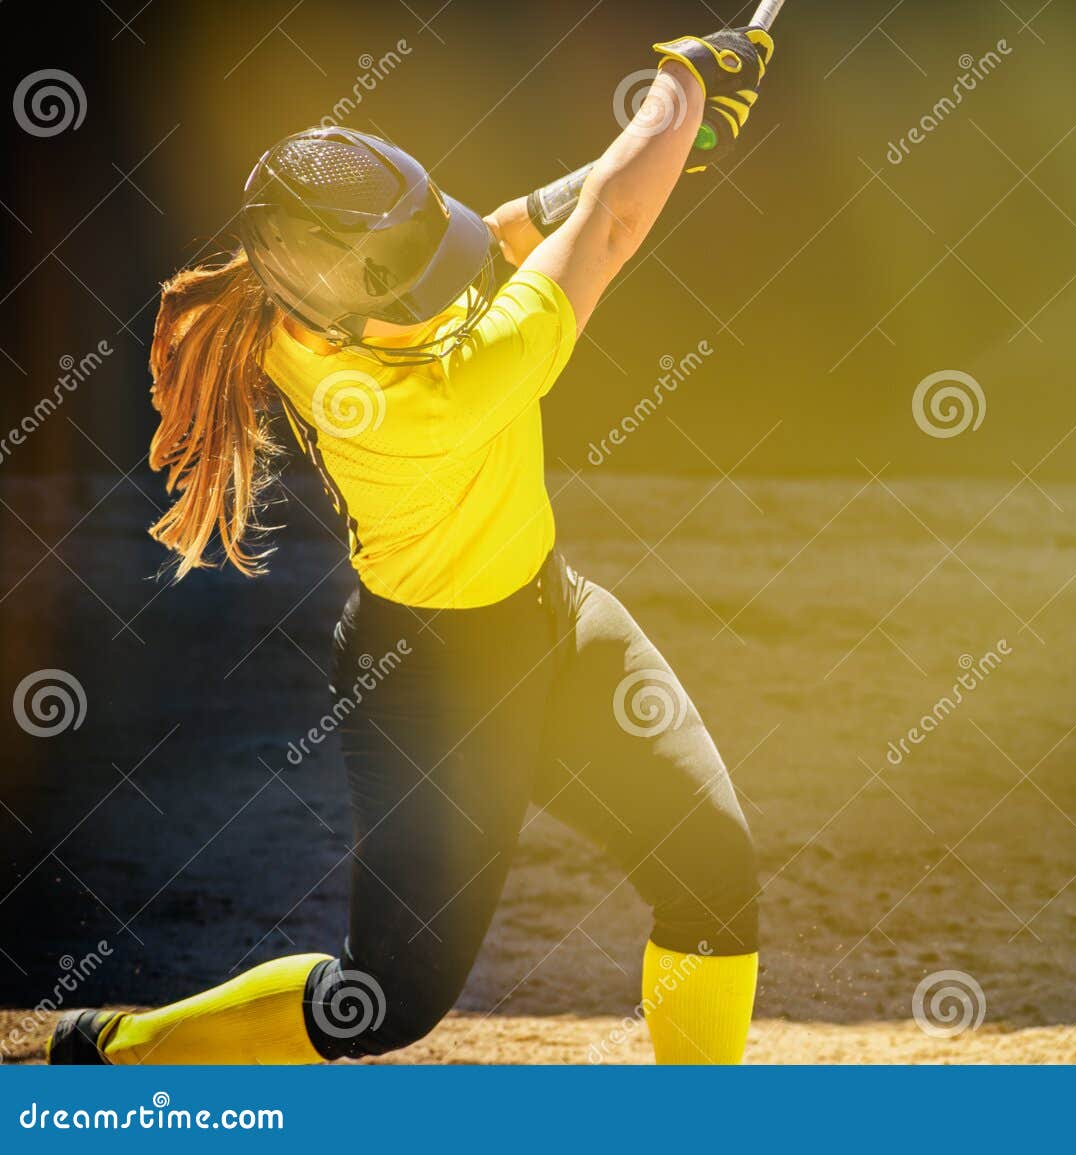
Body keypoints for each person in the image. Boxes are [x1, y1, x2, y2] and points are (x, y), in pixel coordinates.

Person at [48, 25, 775, 1066]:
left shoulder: (316, 305)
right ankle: (116, 1047)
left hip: (552, 618)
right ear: (347, 296)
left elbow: (504, 235)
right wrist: (683, 86)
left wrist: (666, 145)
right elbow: (609, 225)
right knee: (386, 998)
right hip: (433, 687)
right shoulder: (429, 398)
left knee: (710, 872)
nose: (445, 288)